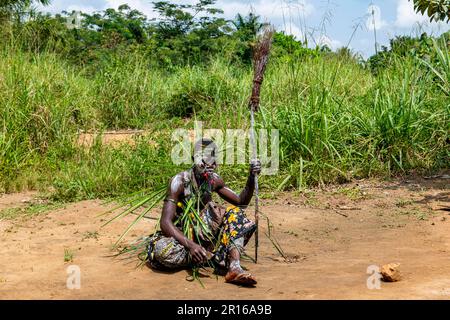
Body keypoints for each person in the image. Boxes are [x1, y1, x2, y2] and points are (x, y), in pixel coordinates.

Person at [147, 138, 261, 286]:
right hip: (184, 237)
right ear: (194, 159)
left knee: (235, 215)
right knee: (161, 250)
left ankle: (234, 266)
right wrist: (191, 246)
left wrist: (251, 177)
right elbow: (165, 223)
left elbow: (241, 202)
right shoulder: (179, 182)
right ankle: (205, 255)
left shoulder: (214, 180)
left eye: (214, 159)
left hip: (207, 234)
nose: (211, 164)